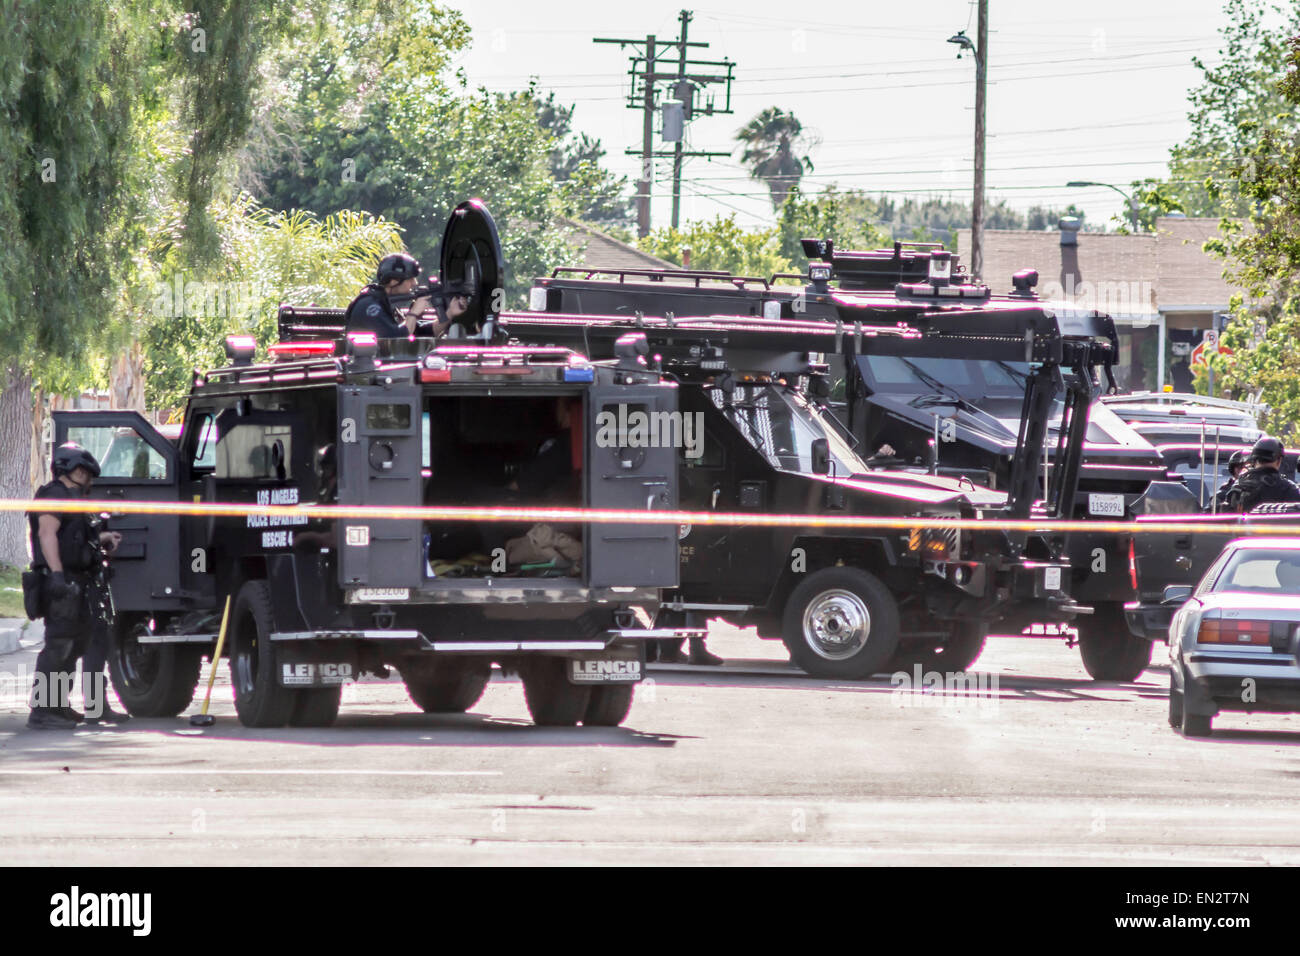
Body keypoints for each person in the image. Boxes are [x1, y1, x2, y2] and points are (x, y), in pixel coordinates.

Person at [26, 444, 122, 729]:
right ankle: (43, 710)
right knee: (59, 644)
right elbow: (47, 533)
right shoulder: (53, 494)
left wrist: (102, 538)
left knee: (74, 645)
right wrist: (57, 576)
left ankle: (57, 705)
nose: (87, 477)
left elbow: (74, 537)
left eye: (89, 473)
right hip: (62, 580)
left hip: (79, 580)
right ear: (68, 469)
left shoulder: (73, 498)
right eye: (82, 471)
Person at [343, 253, 469, 340]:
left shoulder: (385, 304)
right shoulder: (369, 306)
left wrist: (450, 313)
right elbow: (396, 339)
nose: (415, 283)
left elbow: (424, 332)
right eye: (410, 279)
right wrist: (413, 313)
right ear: (393, 281)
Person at [1228, 436, 1300, 512]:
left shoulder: (1238, 485)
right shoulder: (1288, 488)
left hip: (1242, 523)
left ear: (1254, 458)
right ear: (1279, 460)